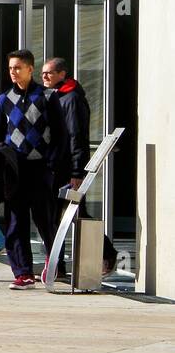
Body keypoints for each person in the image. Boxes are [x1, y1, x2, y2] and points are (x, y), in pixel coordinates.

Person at [0, 49, 67, 290]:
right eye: (10, 68)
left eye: (18, 68)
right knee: (15, 222)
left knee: (45, 220)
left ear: (30, 69)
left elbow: (61, 134)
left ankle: (52, 262)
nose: (13, 72)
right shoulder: (3, 99)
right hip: (14, 171)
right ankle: (22, 273)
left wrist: (52, 163)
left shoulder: (47, 96)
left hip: (40, 168)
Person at [42, 57, 118, 276]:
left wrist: (77, 171)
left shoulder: (72, 99)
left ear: (62, 74)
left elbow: (78, 137)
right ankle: (59, 265)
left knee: (72, 215)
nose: (45, 77)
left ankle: (105, 254)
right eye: (43, 73)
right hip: (56, 166)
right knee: (66, 215)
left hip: (67, 169)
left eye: (49, 73)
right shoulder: (57, 96)